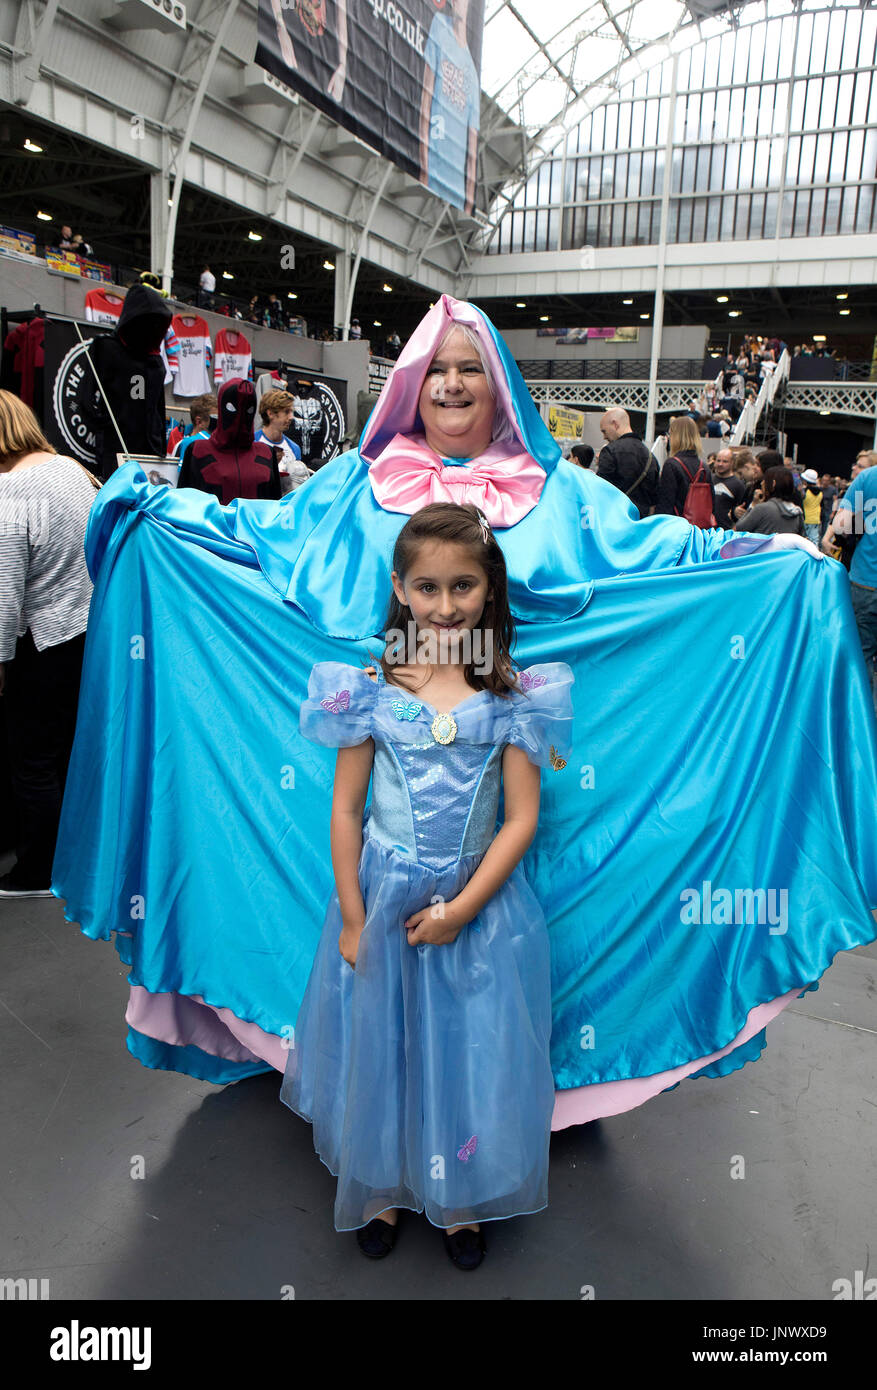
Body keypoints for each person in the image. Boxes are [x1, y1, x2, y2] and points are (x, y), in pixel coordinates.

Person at [55, 295, 877, 1158]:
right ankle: (375, 1102)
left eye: (469, 367)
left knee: (501, 962)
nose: (451, 383)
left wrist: (764, 559)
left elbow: (657, 550)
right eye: (437, 367)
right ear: (412, 382)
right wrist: (164, 518)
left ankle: (501, 1109)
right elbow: (264, 537)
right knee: (367, 948)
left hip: (511, 775)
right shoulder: (351, 484)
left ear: (499, 385)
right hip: (385, 777)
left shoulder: (562, 494)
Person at [282, 501, 573, 1267]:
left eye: (464, 587)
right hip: (381, 899)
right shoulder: (369, 690)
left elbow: (518, 820)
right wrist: (351, 914)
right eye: (428, 587)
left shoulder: (514, 698)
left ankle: (461, 1194)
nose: (446, 606)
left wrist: (463, 909)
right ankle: (377, 1183)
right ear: (400, 588)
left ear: (489, 590)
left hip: (478, 912)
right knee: (382, 1042)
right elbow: (346, 809)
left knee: (468, 1046)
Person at [0, 391, 99, 898]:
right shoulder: (71, 470)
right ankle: (69, 857)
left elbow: (5, 590)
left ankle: (37, 870)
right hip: (87, 630)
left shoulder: (11, 489)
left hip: (41, 640)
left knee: (33, 761)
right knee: (64, 754)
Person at [178, 377, 281, 503]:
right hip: (212, 521)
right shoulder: (198, 450)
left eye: (248, 409)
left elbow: (275, 506)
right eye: (233, 408)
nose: (240, 416)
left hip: (254, 522)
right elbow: (183, 505)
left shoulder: (266, 454)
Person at [419, 0, 480, 214]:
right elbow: (425, 100)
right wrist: (424, 167)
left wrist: (468, 204)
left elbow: (472, 153)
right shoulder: (439, 27)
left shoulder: (472, 74)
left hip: (455, 193)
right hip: (432, 174)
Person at [826, 453, 877, 659]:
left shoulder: (868, 478)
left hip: (866, 581)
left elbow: (842, 525)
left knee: (861, 654)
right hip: (865, 580)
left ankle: (863, 692)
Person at [595, 408, 658, 518]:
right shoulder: (651, 457)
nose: (604, 436)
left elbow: (600, 492)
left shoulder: (610, 451)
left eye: (604, 431)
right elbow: (654, 499)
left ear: (615, 424)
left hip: (615, 519)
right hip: (641, 524)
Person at [654, 415, 715, 519]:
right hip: (698, 527)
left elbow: (665, 505)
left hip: (677, 526)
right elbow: (712, 503)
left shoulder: (671, 465)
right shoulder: (704, 467)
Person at [254, 389, 312, 493]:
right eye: (286, 412)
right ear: (270, 413)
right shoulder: (254, 442)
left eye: (292, 411)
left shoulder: (294, 448)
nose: (291, 417)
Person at [733, 466, 805, 536]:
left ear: (773, 484)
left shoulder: (762, 509)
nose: (762, 483)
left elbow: (739, 529)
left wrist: (753, 505)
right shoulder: (797, 511)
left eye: (765, 481)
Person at [172, 393, 216, 462]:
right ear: (199, 422)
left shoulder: (217, 444)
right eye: (215, 419)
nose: (218, 423)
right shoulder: (184, 445)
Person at [712, 446, 746, 528]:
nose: (720, 464)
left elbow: (742, 510)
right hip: (707, 530)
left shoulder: (739, 485)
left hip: (726, 531)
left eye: (725, 461)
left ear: (732, 463)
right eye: (718, 461)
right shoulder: (708, 479)